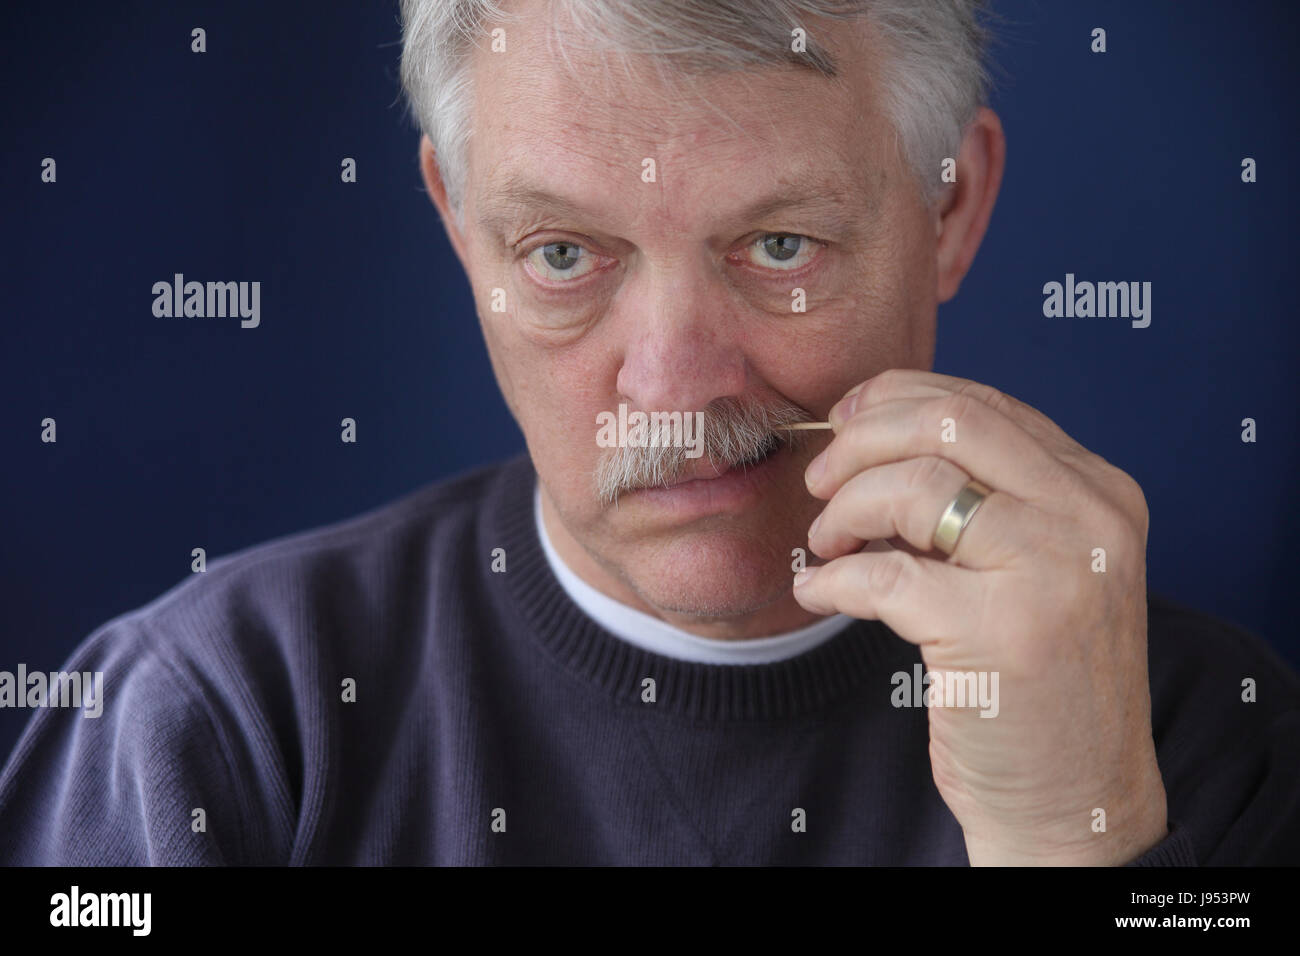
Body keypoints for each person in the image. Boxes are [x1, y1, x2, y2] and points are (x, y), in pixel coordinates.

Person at [2, 0, 1296, 865]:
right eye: (562, 253)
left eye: (781, 245)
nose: (675, 385)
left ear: (950, 208)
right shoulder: (211, 727)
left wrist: (1080, 843)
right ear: (461, 230)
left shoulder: (1204, 740)